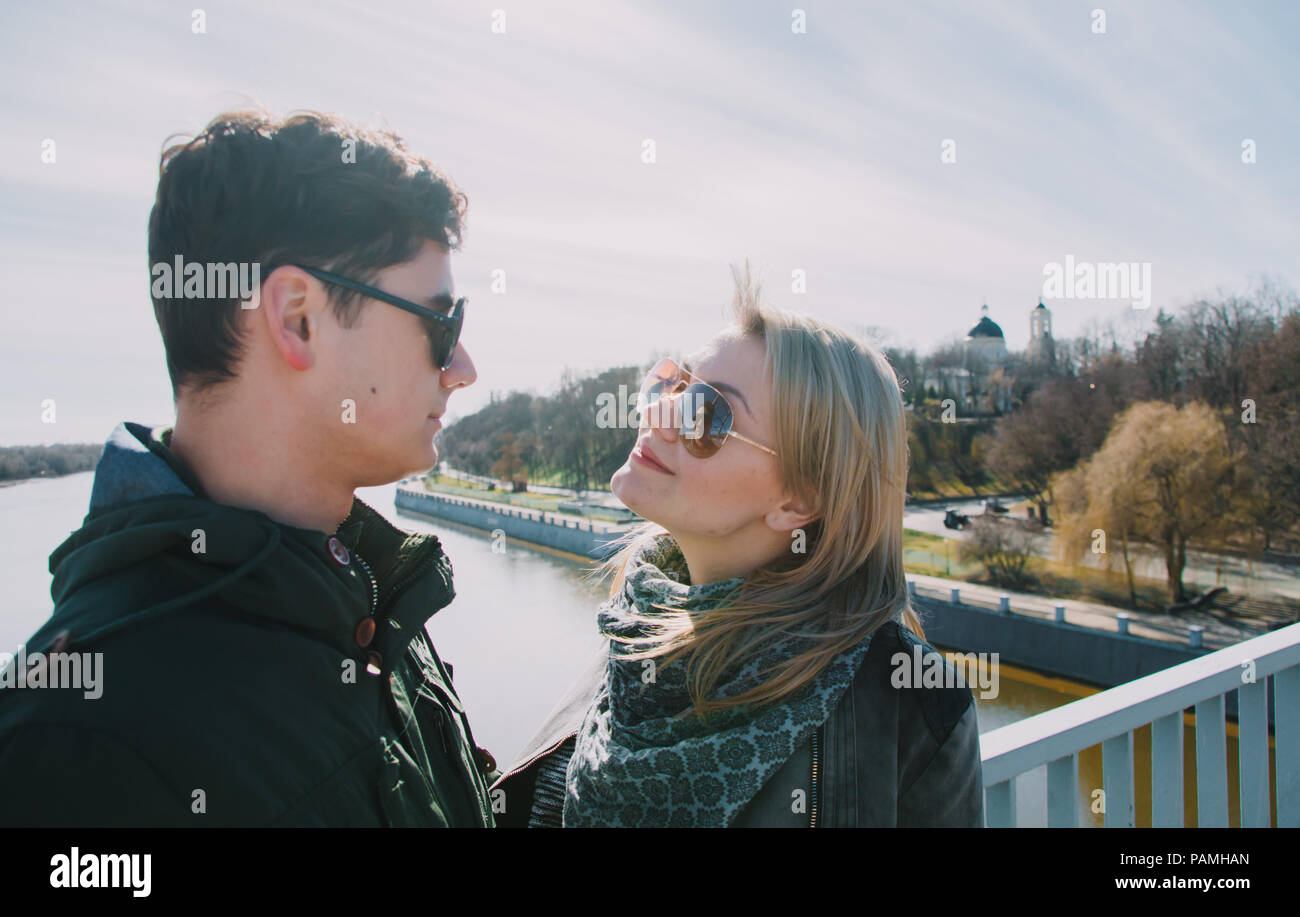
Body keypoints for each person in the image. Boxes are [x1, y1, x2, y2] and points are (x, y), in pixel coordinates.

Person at [0, 110, 497, 826]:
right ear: (297, 318)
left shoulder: (362, 592)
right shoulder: (72, 745)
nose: (463, 369)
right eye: (440, 325)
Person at [493, 265, 984, 827]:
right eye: (674, 386)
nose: (656, 413)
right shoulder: (637, 627)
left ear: (798, 501)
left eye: (706, 414)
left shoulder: (912, 704)